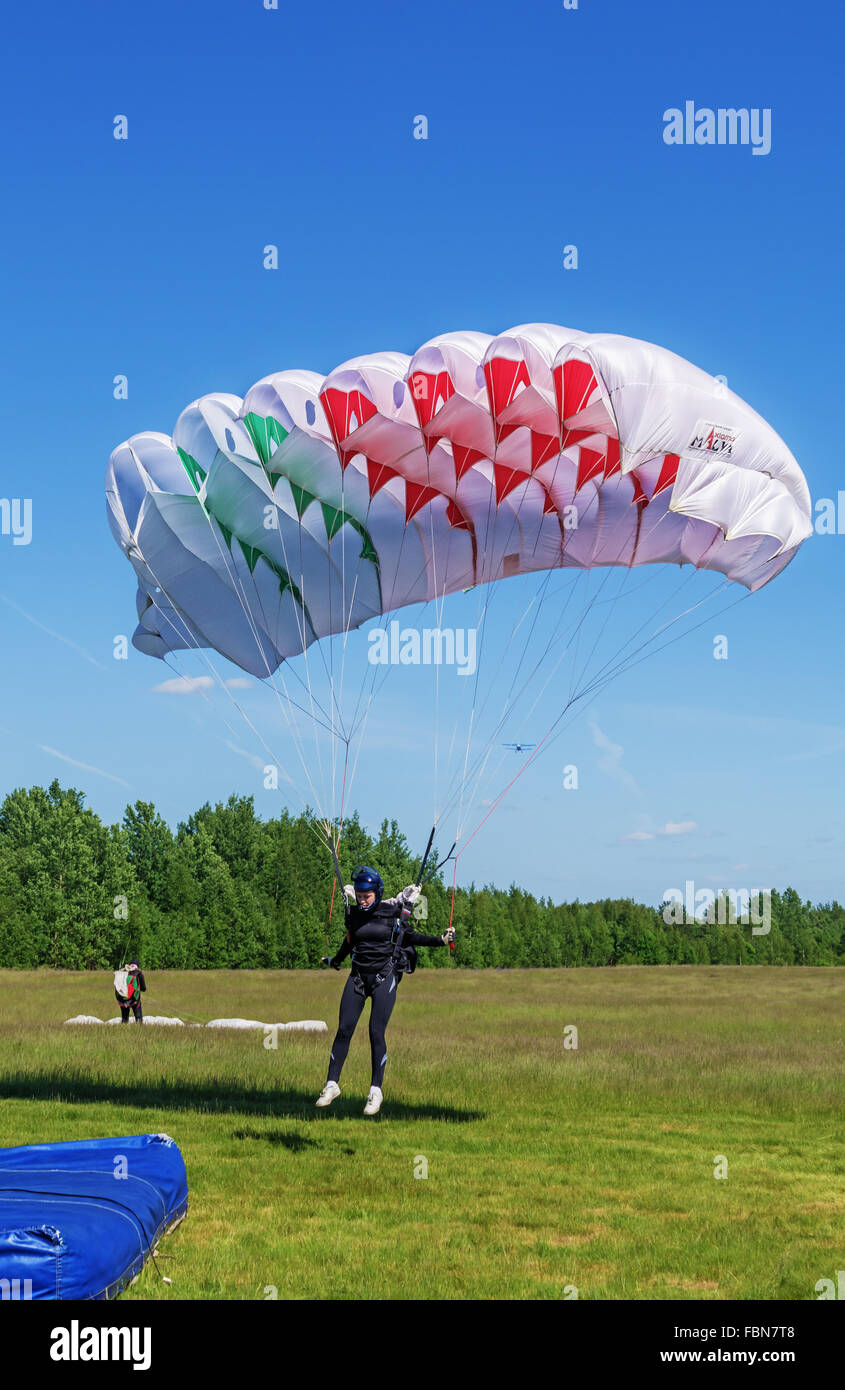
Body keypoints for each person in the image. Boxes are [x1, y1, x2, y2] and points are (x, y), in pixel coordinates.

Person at [316, 866, 454, 1115]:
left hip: (383, 977)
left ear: (377, 893)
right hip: (357, 977)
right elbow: (349, 942)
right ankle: (331, 1084)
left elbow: (412, 938)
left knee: (375, 1032)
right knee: (344, 1029)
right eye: (359, 894)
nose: (362, 898)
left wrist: (440, 941)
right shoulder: (355, 915)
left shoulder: (392, 913)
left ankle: (375, 1091)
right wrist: (335, 961)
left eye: (367, 894)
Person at [115, 960, 146, 1024]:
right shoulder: (138, 973)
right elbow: (143, 988)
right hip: (134, 1000)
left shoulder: (122, 971)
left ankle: (123, 1031)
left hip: (122, 999)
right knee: (138, 1018)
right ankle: (139, 1030)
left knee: (124, 1019)